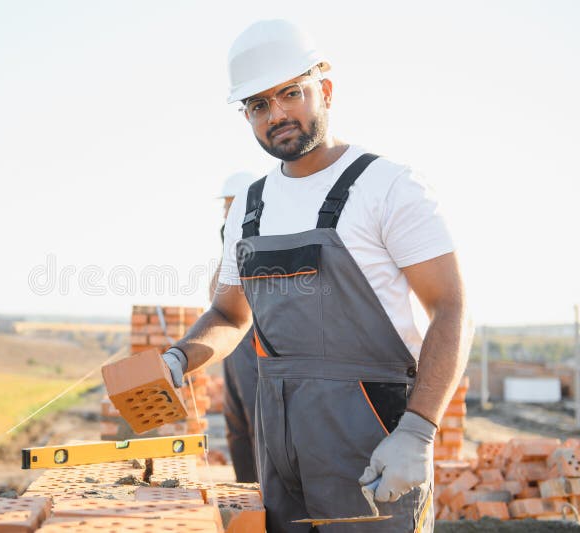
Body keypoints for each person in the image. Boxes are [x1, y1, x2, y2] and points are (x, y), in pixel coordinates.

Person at [152, 19, 473, 532]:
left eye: (289, 94)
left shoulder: (388, 187)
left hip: (374, 449)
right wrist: (178, 356)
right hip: (280, 455)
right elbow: (228, 314)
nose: (276, 114)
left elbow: (452, 308)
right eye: (258, 105)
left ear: (323, 88)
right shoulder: (249, 207)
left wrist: (417, 430)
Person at [212, 172, 260, 483]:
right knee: (235, 420)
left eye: (231, 204)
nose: (226, 211)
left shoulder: (257, 233)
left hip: (253, 334)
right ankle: (247, 493)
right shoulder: (230, 233)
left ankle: (266, 494)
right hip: (234, 336)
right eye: (225, 206)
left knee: (258, 420)